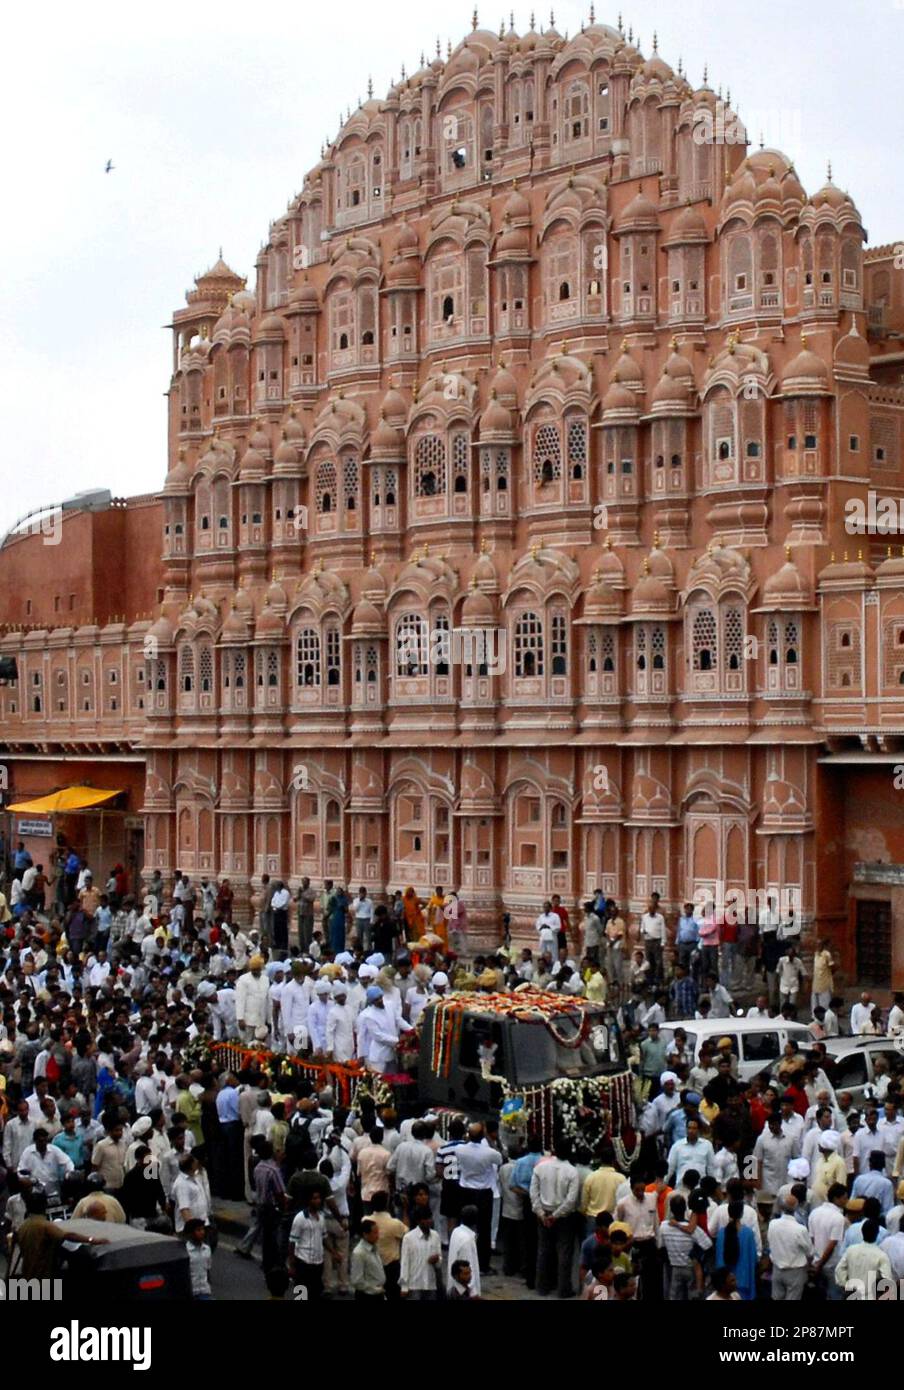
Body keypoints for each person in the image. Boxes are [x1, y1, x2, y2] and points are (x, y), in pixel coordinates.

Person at [530, 1139, 580, 1299]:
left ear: (554, 1151)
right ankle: (563, 1288)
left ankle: (542, 1286)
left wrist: (542, 1214)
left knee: (543, 1250)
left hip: (544, 1214)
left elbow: (534, 1193)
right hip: (563, 1217)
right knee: (564, 1252)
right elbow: (571, 1200)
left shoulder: (540, 1167)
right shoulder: (572, 1171)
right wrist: (556, 1215)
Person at [455, 1122, 502, 1272]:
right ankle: (483, 1264)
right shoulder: (489, 1153)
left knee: (466, 1226)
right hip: (483, 1192)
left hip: (465, 1191)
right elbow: (500, 1159)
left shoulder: (460, 1149)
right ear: (484, 1135)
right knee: (484, 1229)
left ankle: (463, 1259)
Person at [767, 1196, 812, 1300]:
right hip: (795, 1272)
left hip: (777, 1268)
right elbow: (810, 1252)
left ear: (782, 1208)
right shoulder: (800, 1229)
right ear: (796, 1208)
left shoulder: (772, 1224)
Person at [714, 1200, 757, 1300]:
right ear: (741, 1214)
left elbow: (719, 1259)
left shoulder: (721, 1233)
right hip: (744, 1282)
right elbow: (752, 1261)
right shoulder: (748, 1234)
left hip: (725, 1284)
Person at [289, 1189, 325, 1300]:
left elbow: (324, 1237)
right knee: (302, 1296)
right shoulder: (300, 1218)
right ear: (308, 1201)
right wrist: (292, 1265)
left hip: (318, 1263)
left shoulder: (321, 1217)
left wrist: (334, 1253)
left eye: (319, 1198)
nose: (318, 1201)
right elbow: (292, 1242)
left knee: (315, 1294)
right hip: (303, 1263)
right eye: (315, 1198)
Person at [399, 1211, 442, 1300]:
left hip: (430, 1284)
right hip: (414, 1285)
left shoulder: (435, 1236)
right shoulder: (408, 1238)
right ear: (418, 1221)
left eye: (430, 1218)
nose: (429, 1221)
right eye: (425, 1219)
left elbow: (440, 1261)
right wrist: (404, 1287)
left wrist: (437, 1260)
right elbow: (405, 1263)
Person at [447, 1204, 481, 1295]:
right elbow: (467, 1269)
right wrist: (472, 1292)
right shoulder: (466, 1240)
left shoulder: (456, 1231)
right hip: (463, 1292)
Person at [350, 1219, 386, 1300]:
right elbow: (357, 1281)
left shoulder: (374, 1247)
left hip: (378, 1293)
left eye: (378, 1232)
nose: (378, 1236)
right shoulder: (359, 1253)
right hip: (367, 1296)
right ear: (365, 1234)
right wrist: (374, 1290)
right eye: (375, 1233)